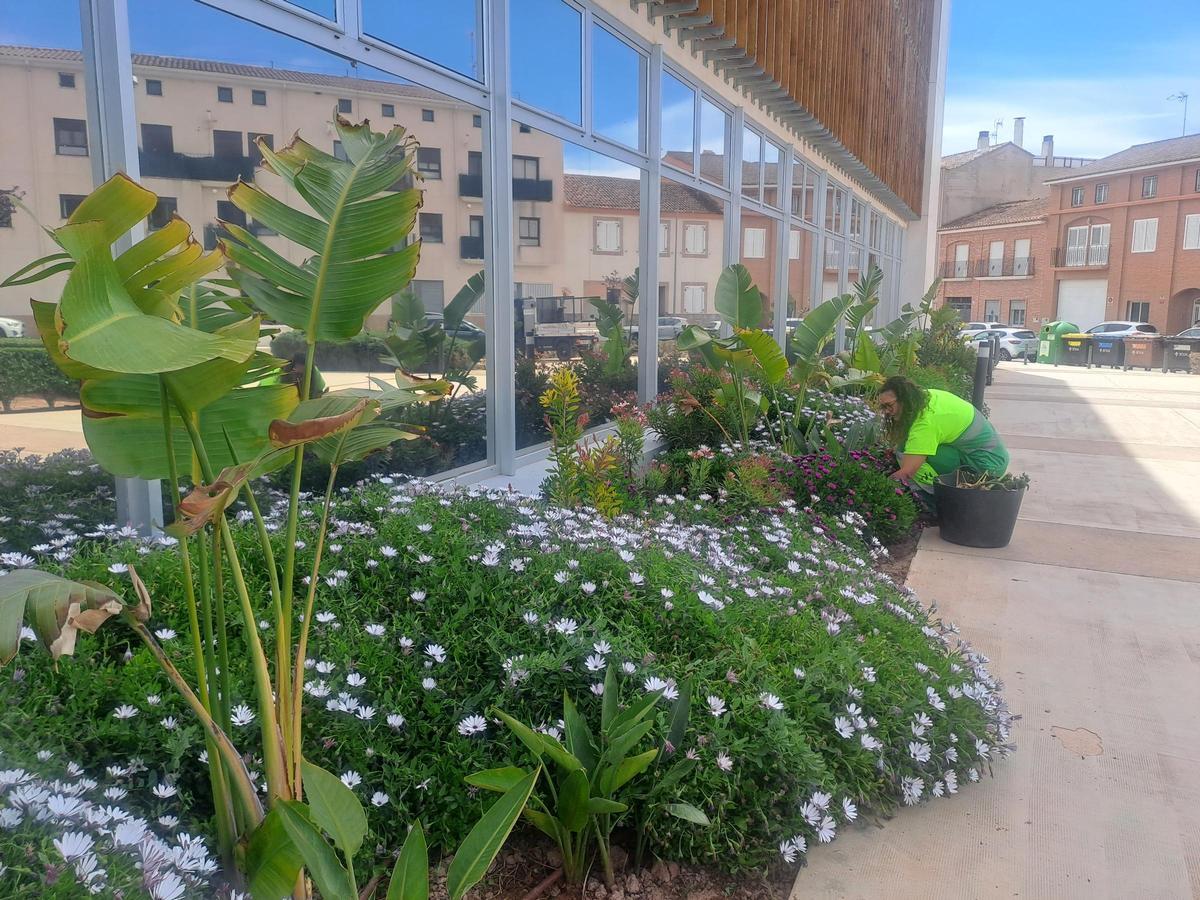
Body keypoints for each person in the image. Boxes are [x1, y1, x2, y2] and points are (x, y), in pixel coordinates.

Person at [874, 375, 1009, 493]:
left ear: (905, 400)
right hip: (993, 458)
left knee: (904, 453)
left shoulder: (926, 423)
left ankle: (936, 496)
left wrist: (879, 486)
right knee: (908, 446)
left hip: (985, 470)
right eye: (883, 407)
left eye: (889, 405)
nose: (885, 411)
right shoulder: (926, 397)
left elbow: (908, 472)